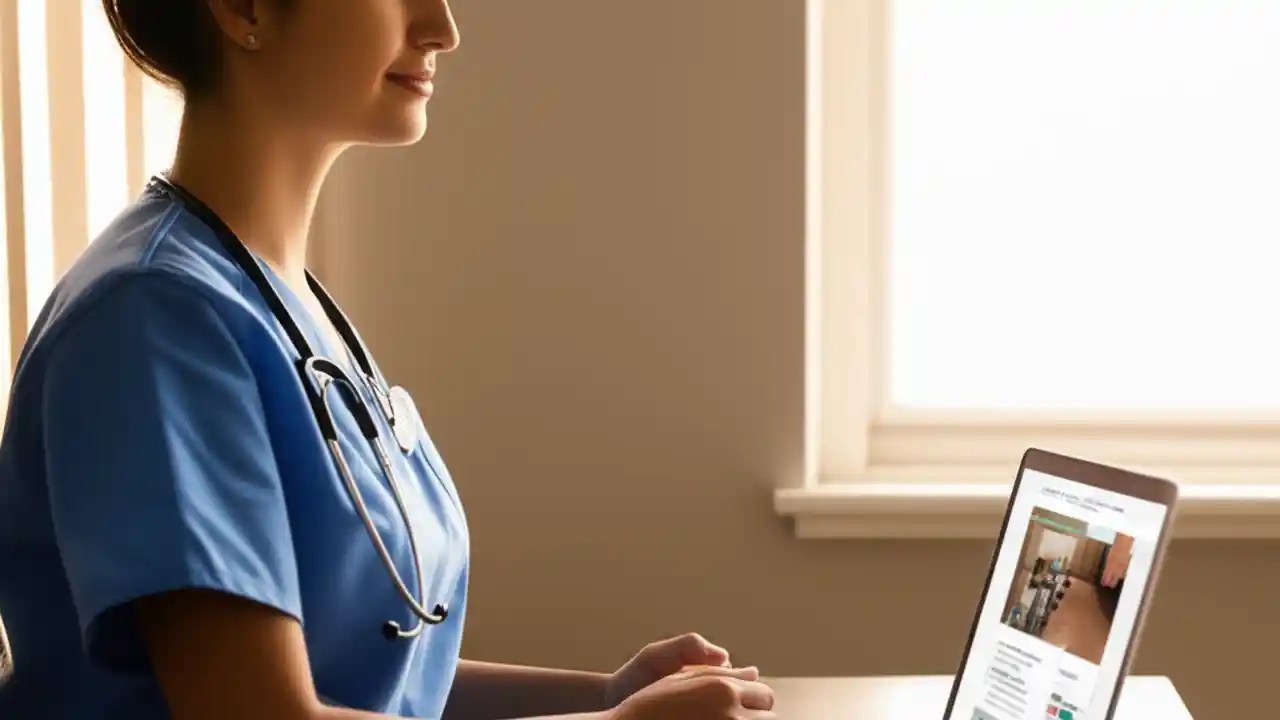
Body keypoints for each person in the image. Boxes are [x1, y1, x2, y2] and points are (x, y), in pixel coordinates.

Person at [0, 1, 777, 718]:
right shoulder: (155, 319)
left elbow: (369, 679)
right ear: (244, 8)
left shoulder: (281, 303)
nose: (442, 27)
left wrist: (602, 693)